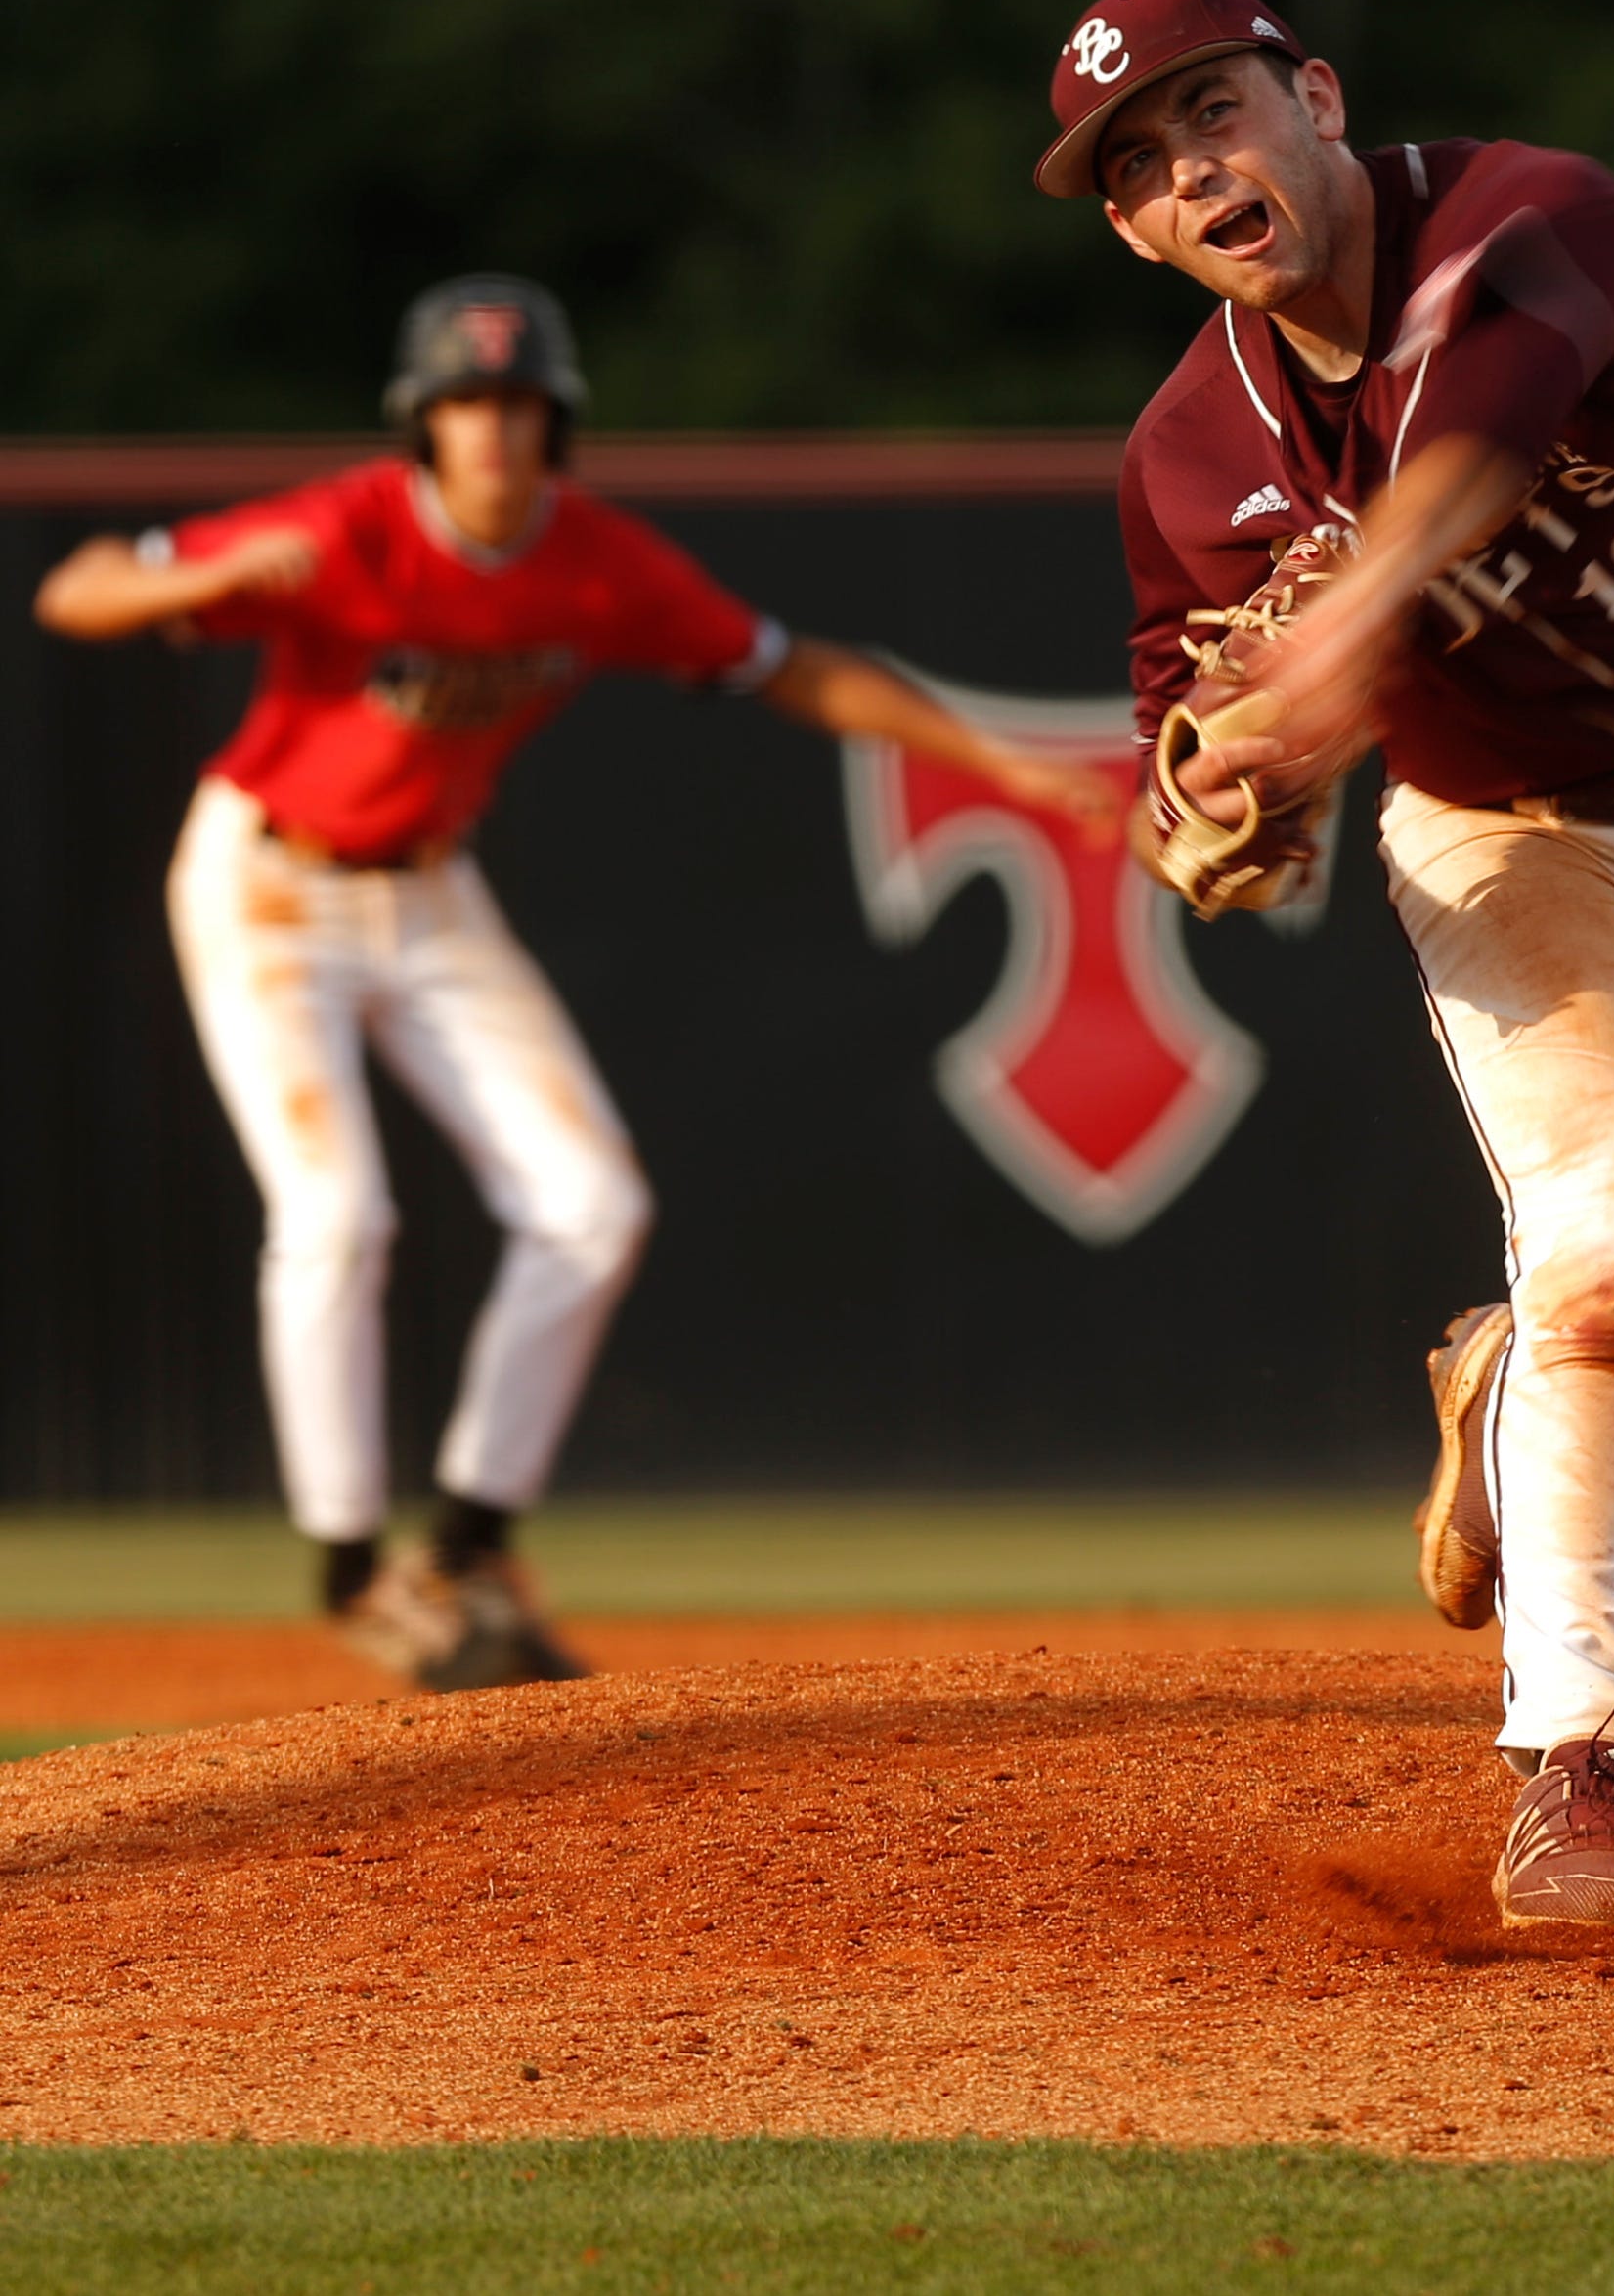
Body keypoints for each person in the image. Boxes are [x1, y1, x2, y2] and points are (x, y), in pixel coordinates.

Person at [1036, 0, 1614, 1924]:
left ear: (1316, 96)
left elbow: (1459, 466)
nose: (1189, 169)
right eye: (1136, 167)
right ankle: (1579, 1758)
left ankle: (1503, 1384)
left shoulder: (1535, 229)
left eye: (1213, 111)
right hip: (1514, 841)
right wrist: (1211, 810)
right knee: (1610, 1236)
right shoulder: (1186, 461)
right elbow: (1180, 769)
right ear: (1127, 231)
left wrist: (1316, 659)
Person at [36, 277, 1115, 1693]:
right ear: (422, 425)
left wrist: (1007, 763)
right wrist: (187, 583)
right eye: (466, 404)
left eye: (521, 404)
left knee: (594, 1208)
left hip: (428, 893)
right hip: (264, 884)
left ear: (560, 426)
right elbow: (79, 588)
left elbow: (793, 671)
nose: (493, 430)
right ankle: (355, 1567)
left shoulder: (598, 566)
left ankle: (471, 1541)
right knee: (338, 1213)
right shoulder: (345, 526)